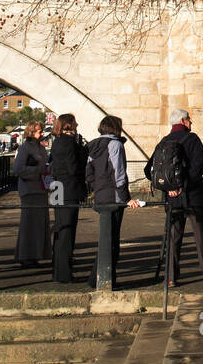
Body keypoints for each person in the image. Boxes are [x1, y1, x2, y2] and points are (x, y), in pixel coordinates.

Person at [153, 109, 203, 287]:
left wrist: (170, 188)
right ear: (183, 120)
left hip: (172, 199)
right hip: (193, 195)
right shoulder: (192, 139)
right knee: (200, 236)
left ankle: (171, 277)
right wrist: (183, 186)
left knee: (174, 237)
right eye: (189, 119)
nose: (191, 122)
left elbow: (149, 169)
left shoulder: (164, 141)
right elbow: (199, 165)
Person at [85, 115, 131, 284]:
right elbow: (118, 174)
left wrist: (97, 187)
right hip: (114, 197)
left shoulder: (93, 146)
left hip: (101, 196)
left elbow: (88, 172)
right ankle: (102, 280)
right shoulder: (116, 145)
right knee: (112, 241)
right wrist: (126, 198)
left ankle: (99, 279)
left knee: (105, 238)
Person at [49, 113, 88, 283]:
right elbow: (74, 168)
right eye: (75, 122)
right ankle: (64, 273)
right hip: (69, 189)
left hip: (57, 188)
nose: (78, 123)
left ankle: (58, 269)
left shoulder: (57, 142)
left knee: (60, 228)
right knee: (68, 231)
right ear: (69, 125)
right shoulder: (70, 143)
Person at [13, 121, 51, 268]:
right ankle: (26, 255)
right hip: (29, 189)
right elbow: (18, 169)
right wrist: (37, 171)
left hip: (40, 188)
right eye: (39, 131)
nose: (41, 134)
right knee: (29, 224)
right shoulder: (24, 149)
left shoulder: (40, 148)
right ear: (31, 132)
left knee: (39, 224)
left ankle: (35, 254)